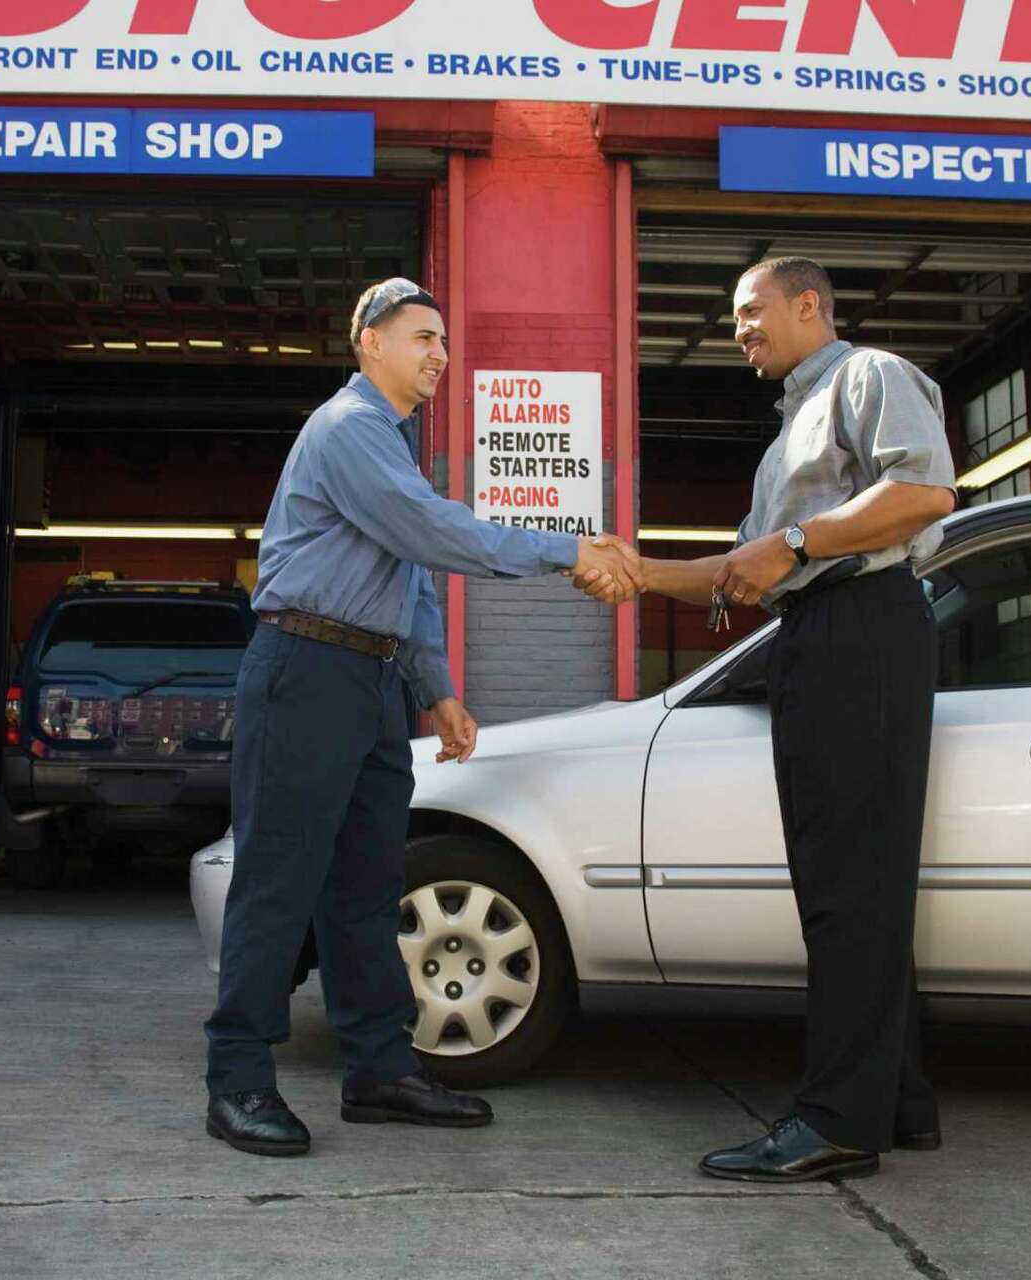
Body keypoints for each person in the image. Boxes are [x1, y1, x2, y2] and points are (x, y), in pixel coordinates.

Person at [204, 277, 642, 1158]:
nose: (440, 354)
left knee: (367, 884)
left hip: (368, 681)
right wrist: (568, 550)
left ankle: (378, 1069)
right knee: (280, 879)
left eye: (444, 340)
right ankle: (237, 1079)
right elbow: (433, 533)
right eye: (421, 337)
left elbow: (407, 577)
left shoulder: (392, 446)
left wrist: (436, 688)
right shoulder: (348, 430)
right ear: (368, 340)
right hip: (306, 669)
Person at [584, 256, 955, 1182]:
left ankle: (835, 1120)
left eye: (752, 311)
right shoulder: (788, 430)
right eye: (733, 316)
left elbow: (924, 494)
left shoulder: (868, 375)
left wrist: (791, 541)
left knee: (847, 892)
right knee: (853, 884)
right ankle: (895, 1102)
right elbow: (752, 571)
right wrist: (639, 574)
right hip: (821, 633)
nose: (739, 328)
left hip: (861, 634)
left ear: (808, 305)